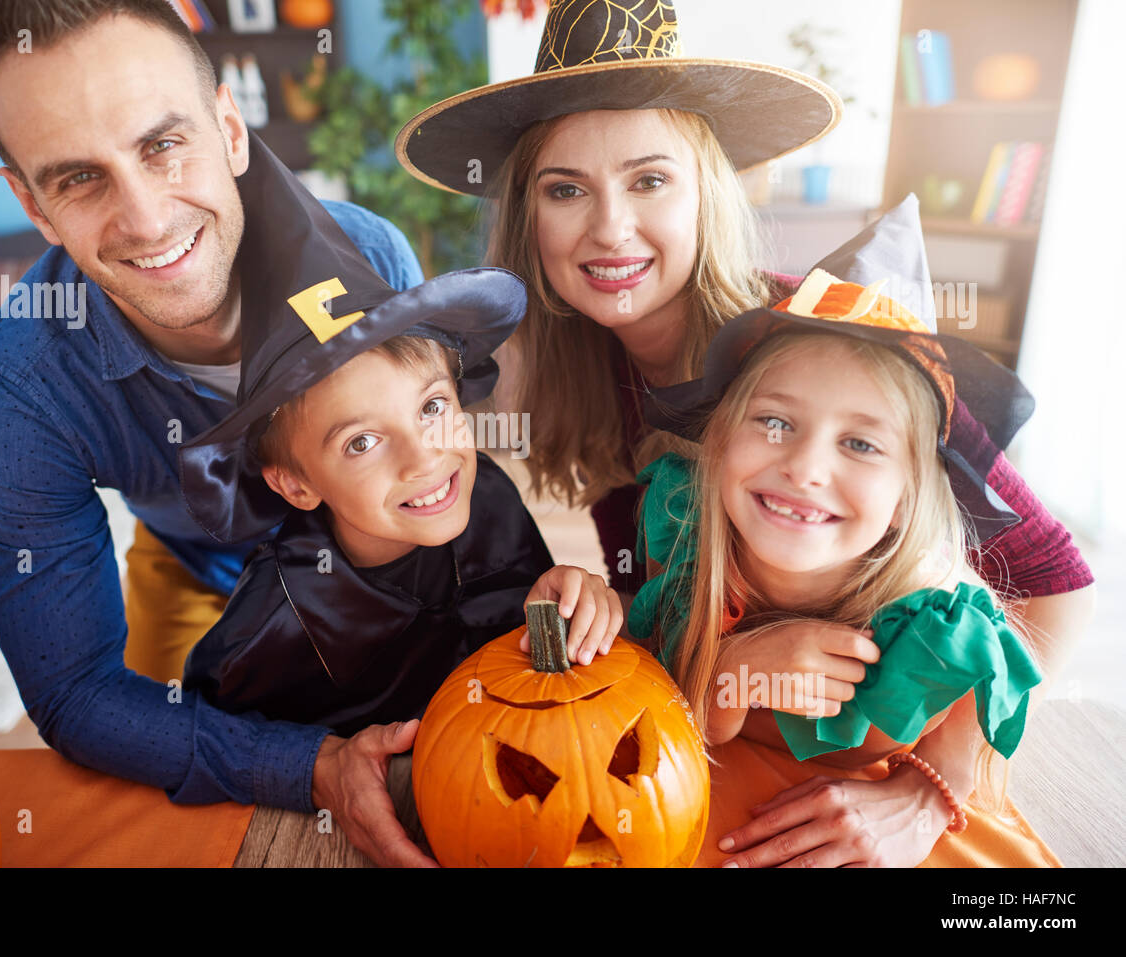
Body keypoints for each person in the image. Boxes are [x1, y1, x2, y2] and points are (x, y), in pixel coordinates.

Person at [397, 0, 1095, 864]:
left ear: (705, 191)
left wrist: (930, 786)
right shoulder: (583, 368)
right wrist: (598, 607)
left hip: (881, 739)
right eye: (566, 189)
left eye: (649, 180)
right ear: (528, 221)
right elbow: (662, 611)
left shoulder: (835, 348)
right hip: (729, 730)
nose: (608, 226)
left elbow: (1054, 582)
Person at [0, 0, 432, 866]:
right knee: (175, 829)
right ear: (32, 203)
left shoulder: (375, 263)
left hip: (372, 563)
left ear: (229, 129)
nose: (144, 219)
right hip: (192, 575)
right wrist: (311, 766)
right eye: (78, 178)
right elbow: (75, 692)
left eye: (161, 144)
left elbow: (438, 496)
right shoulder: (18, 387)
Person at [630, 203, 1056, 866]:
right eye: (775, 422)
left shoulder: (935, 624)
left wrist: (933, 786)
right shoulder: (683, 522)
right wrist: (729, 674)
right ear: (718, 442)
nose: (805, 468)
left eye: (859, 442)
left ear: (906, 497)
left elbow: (991, 690)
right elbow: (647, 694)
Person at [174, 189, 622, 734]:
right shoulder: (273, 620)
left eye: (432, 407)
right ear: (294, 484)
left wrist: (557, 606)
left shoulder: (488, 498)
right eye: (362, 442)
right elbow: (207, 738)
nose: (424, 458)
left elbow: (519, 649)